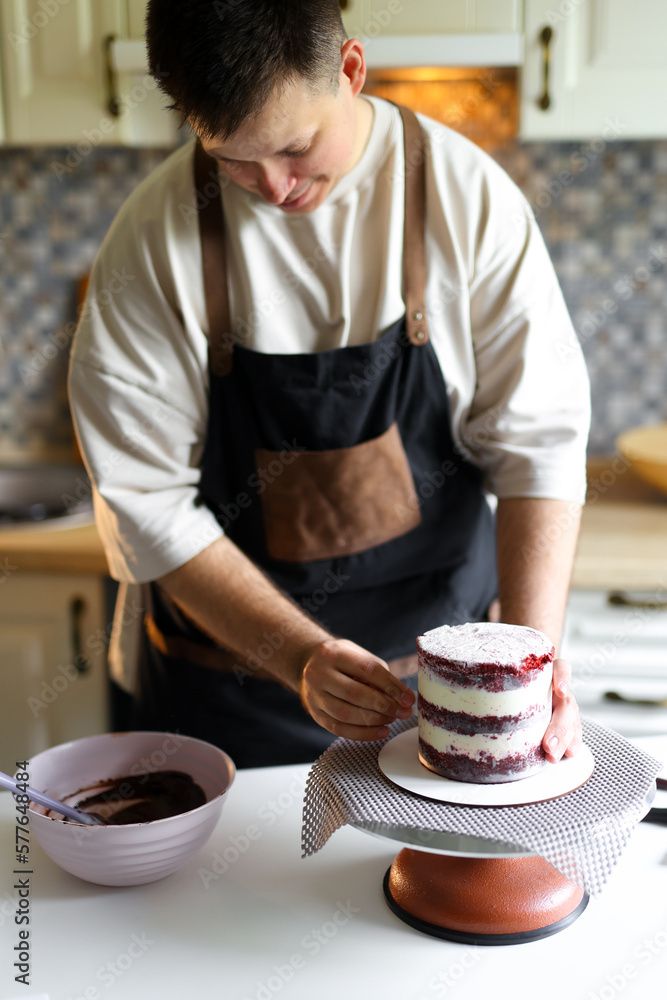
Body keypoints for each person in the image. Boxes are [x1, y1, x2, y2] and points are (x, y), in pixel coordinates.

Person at [68, 0, 590, 768]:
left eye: (295, 146)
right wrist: (297, 655)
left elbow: (538, 446)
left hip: (447, 692)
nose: (274, 187)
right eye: (233, 159)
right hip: (229, 696)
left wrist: (528, 666)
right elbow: (144, 502)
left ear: (350, 69)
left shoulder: (466, 197)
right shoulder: (151, 242)